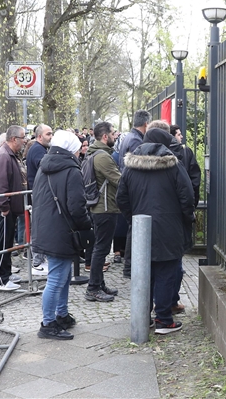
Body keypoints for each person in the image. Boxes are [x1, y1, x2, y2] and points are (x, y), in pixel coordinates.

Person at [116, 128, 195, 334]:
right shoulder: (173, 167)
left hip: (141, 230)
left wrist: (134, 218)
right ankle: (164, 319)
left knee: (144, 273)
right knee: (166, 274)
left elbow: (121, 199)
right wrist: (185, 220)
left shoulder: (130, 168)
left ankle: (144, 317)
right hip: (169, 229)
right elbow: (187, 198)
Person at [32, 130, 92, 340]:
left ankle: (61, 314)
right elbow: (77, 206)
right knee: (57, 278)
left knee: (62, 276)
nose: (79, 153)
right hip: (61, 229)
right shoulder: (71, 170)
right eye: (77, 149)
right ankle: (48, 323)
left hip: (46, 227)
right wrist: (87, 225)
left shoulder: (45, 166)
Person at [83, 122, 122, 302]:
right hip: (105, 207)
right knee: (101, 248)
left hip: (100, 207)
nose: (115, 136)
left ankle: (99, 283)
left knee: (101, 247)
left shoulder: (94, 153)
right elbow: (118, 180)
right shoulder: (103, 157)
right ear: (105, 136)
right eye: (113, 134)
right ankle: (93, 288)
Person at [0, 125, 27, 290]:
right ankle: (0, 279)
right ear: (14, 139)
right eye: (23, 138)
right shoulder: (3, 156)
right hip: (3, 208)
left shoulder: (10, 155)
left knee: (7, 241)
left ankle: (6, 272)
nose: (25, 141)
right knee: (3, 242)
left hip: (9, 207)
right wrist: (4, 207)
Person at [118, 110, 151, 278]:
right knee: (135, 229)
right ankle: (130, 267)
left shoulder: (128, 138)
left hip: (128, 187)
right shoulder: (137, 141)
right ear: (146, 124)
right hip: (134, 189)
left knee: (133, 228)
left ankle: (129, 266)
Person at [26, 124, 53, 276]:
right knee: (39, 228)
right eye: (48, 134)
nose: (51, 136)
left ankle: (40, 260)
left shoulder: (41, 149)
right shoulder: (37, 149)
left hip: (39, 194)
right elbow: (45, 166)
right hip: (38, 195)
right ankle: (37, 262)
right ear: (40, 136)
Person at [170, 124, 202, 208]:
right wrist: (193, 203)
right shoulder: (186, 152)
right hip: (185, 201)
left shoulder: (160, 153)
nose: (182, 137)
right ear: (172, 136)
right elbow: (195, 178)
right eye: (179, 134)